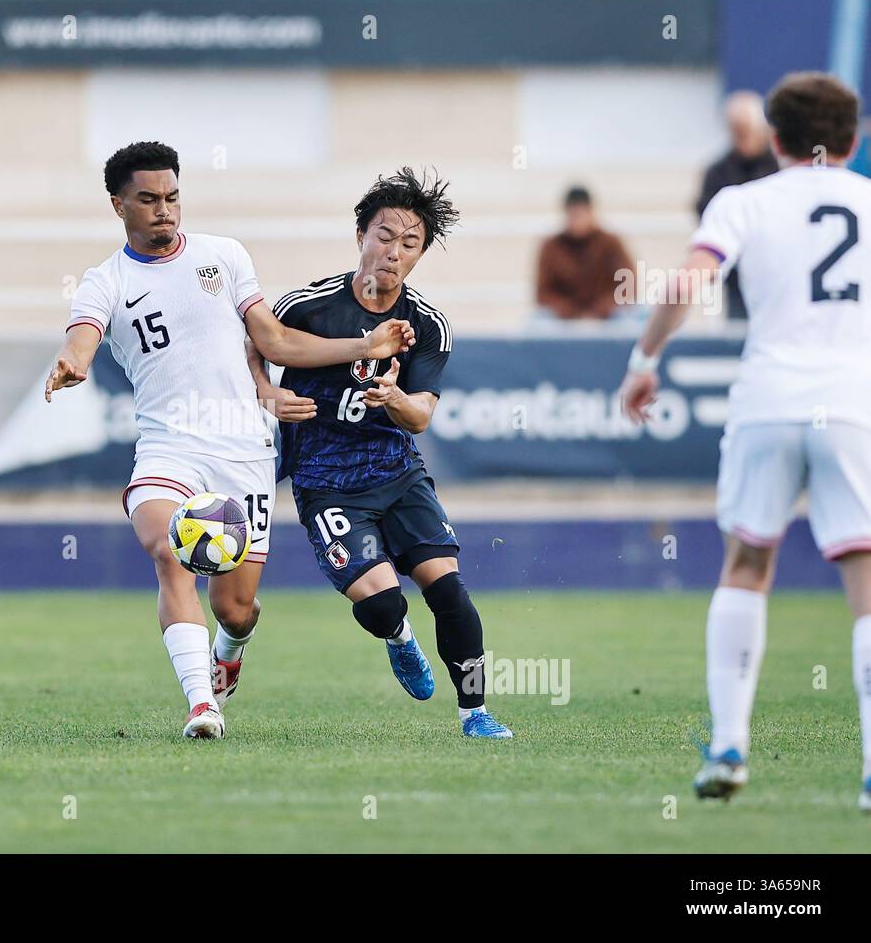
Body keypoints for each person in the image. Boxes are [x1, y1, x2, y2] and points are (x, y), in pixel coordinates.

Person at [45, 142, 415, 739]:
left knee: (234, 607)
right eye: (148, 200)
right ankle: (201, 706)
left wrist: (364, 346)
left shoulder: (224, 255)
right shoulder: (104, 281)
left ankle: (231, 646)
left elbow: (273, 341)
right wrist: (72, 361)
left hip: (245, 452)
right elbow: (82, 335)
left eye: (172, 197)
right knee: (170, 551)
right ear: (119, 205)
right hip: (169, 449)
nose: (164, 210)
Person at [619, 72, 871, 810]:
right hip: (853, 405)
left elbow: (689, 283)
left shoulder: (743, 201)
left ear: (776, 139)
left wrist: (644, 361)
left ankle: (729, 746)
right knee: (864, 579)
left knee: (745, 564)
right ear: (852, 139)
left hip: (767, 401)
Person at [250, 168, 513, 739]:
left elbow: (421, 415)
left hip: (396, 473)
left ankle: (476, 713)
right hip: (324, 478)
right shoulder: (308, 305)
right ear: (361, 235)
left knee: (449, 591)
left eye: (410, 243)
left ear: (421, 255)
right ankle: (399, 639)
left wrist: (394, 397)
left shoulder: (427, 324)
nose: (394, 252)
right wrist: (268, 393)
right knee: (380, 605)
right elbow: (255, 346)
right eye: (385, 236)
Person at [696, 90, 780, 320]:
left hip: (778, 272)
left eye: (745, 130)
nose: (740, 137)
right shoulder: (718, 172)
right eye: (735, 130)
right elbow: (706, 218)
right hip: (738, 277)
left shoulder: (780, 169)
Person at [534, 186, 636, 322]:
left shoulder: (610, 243)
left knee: (630, 318)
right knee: (537, 322)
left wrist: (600, 311)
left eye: (580, 214)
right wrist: (568, 311)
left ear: (590, 212)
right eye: (572, 215)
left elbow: (627, 286)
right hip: (563, 320)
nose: (576, 220)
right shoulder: (551, 247)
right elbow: (543, 293)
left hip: (607, 318)